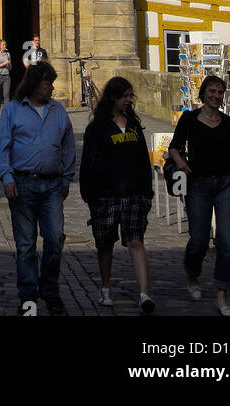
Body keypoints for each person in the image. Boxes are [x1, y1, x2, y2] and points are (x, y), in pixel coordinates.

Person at [0, 61, 75, 315]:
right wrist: (7, 177)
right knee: (26, 244)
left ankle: (49, 289)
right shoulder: (13, 111)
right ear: (33, 84)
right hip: (22, 183)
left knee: (55, 238)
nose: (52, 87)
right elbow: (3, 147)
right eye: (47, 82)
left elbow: (69, 145)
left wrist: (66, 178)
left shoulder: (58, 110)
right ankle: (28, 295)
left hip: (52, 184)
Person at [167, 73, 230, 316]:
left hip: (226, 184)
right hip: (198, 184)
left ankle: (222, 295)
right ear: (203, 93)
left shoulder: (229, 124)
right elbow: (174, 148)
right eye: (212, 91)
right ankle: (192, 274)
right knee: (199, 240)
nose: (216, 96)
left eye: (220, 92)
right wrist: (180, 162)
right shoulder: (189, 119)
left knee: (227, 242)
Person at [79, 77, 155, 313]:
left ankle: (144, 293)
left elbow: (143, 159)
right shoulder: (97, 128)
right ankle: (105, 288)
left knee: (136, 241)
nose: (128, 100)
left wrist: (147, 191)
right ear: (113, 98)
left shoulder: (133, 125)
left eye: (130, 96)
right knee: (105, 244)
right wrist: (89, 195)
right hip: (105, 195)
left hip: (134, 194)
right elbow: (88, 163)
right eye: (125, 96)